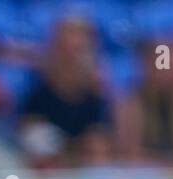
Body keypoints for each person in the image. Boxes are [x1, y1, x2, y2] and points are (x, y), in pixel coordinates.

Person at [18, 15, 111, 164]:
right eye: (65, 50)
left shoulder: (96, 100)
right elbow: (29, 135)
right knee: (38, 138)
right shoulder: (37, 92)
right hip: (45, 174)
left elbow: (99, 147)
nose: (71, 58)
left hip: (81, 170)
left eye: (78, 51)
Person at [117, 40, 173, 166]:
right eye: (157, 63)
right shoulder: (130, 103)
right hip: (143, 174)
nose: (162, 71)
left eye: (167, 64)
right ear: (145, 65)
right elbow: (130, 153)